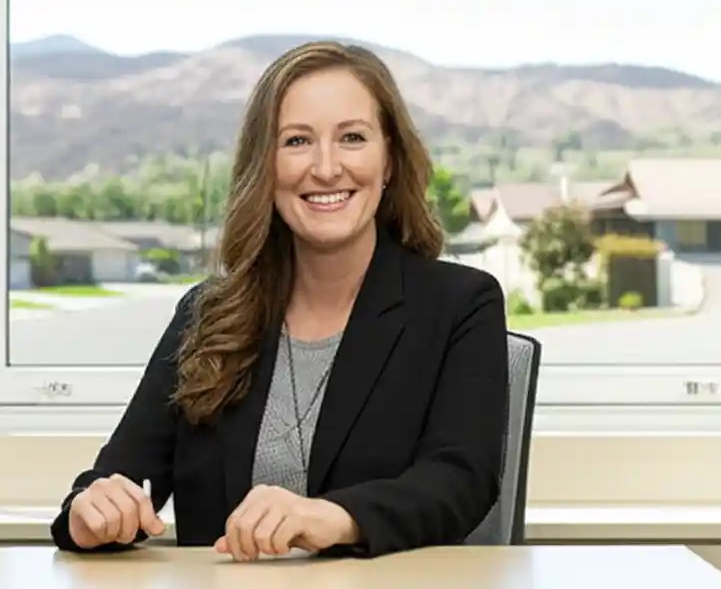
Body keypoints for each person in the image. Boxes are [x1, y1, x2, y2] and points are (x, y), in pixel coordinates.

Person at [49, 40, 509, 561]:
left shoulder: (460, 304)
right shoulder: (207, 314)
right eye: (296, 141)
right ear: (264, 168)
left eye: (353, 138)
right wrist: (91, 512)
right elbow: (114, 483)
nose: (327, 167)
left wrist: (332, 516)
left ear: (390, 163)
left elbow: (460, 481)